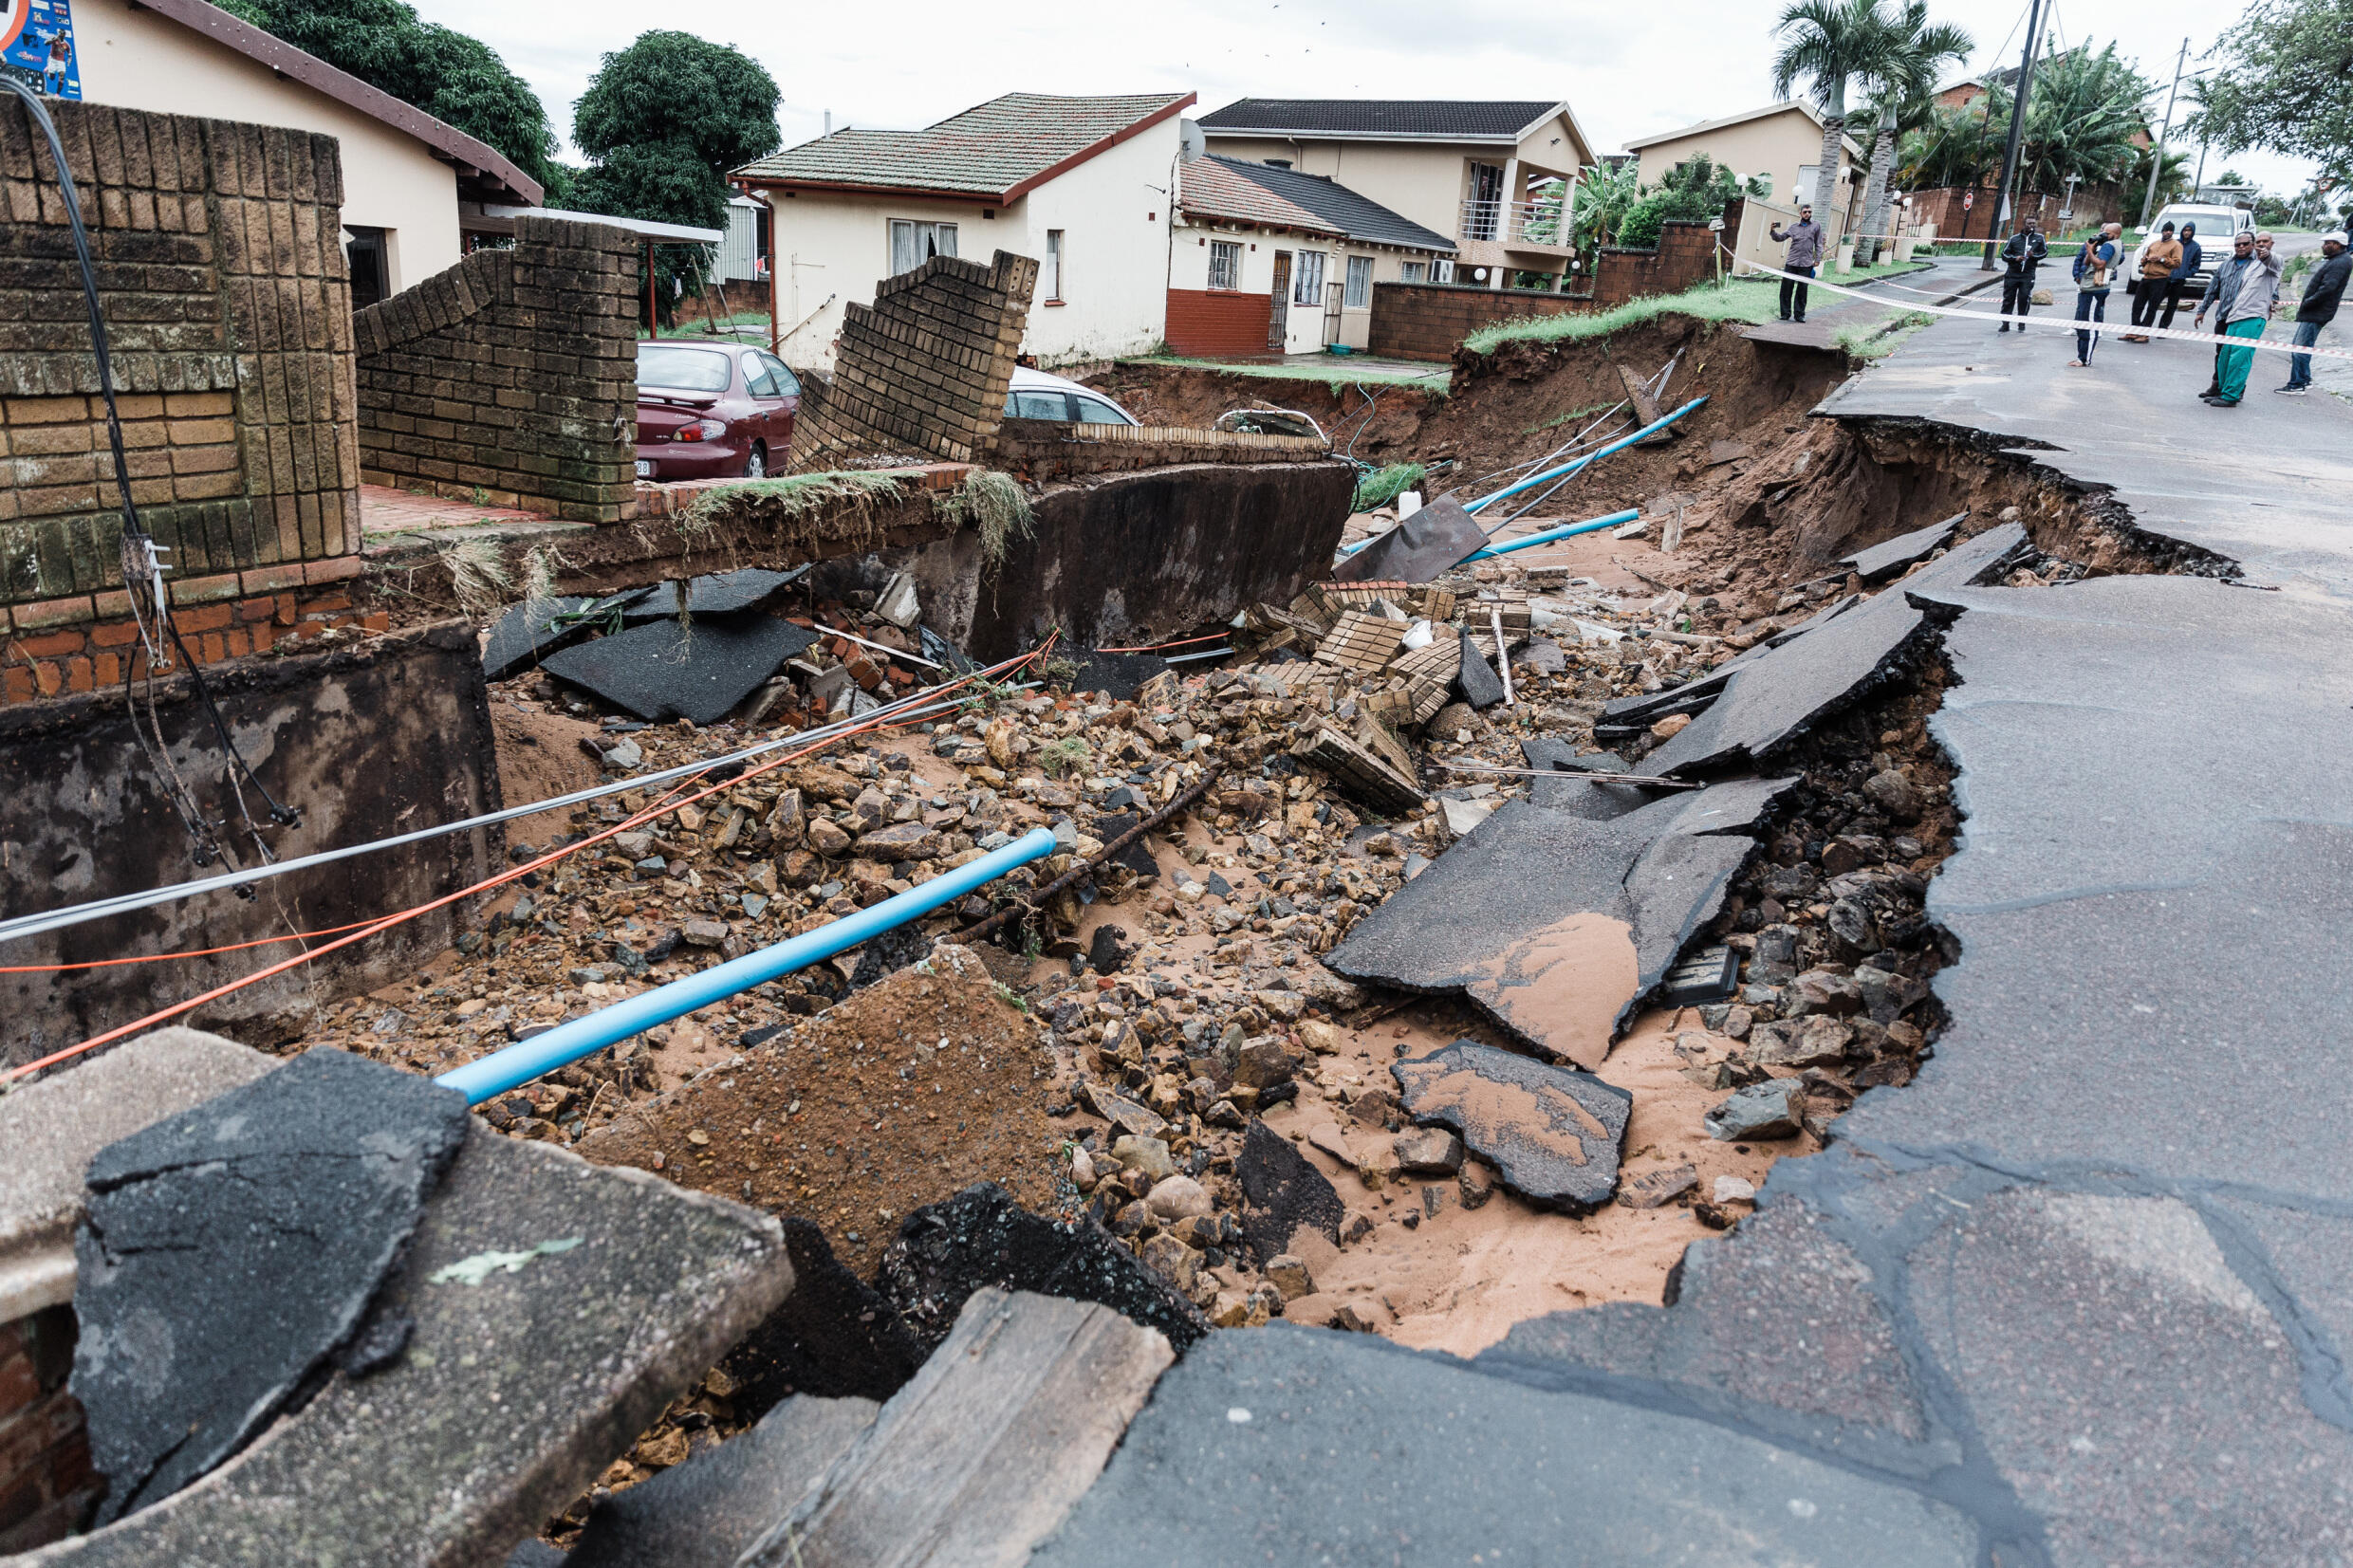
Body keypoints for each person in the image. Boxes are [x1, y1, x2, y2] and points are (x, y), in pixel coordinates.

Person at [2196, 231, 2282, 408]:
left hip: (2252, 317)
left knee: (2239, 358)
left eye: (2265, 241)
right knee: (2225, 356)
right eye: (2259, 241)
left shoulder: (2273, 262)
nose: (2261, 245)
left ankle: (2231, 395)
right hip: (2233, 317)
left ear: (2272, 244)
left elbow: (2274, 262)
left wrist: (2268, 255)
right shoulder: (2250, 266)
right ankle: (2223, 390)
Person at [2278, 231, 2349, 396]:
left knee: (2300, 348)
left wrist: (2309, 302)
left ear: (2338, 245)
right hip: (2316, 311)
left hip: (2317, 311)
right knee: (2302, 346)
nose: (2323, 246)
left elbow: (2328, 288)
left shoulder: (2339, 263)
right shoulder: (2337, 260)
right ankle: (2305, 378)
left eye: (2328, 243)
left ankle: (2297, 384)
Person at [2067, 223, 2122, 367]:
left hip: (2094, 289)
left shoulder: (2110, 246)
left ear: (2114, 234)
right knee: (2081, 323)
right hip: (2089, 287)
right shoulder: (2105, 244)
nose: (2102, 234)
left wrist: (2091, 252)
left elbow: (2099, 264)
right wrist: (2090, 249)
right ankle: (2081, 356)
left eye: (2106, 233)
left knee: (2090, 325)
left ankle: (2085, 359)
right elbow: (2087, 261)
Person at [2122, 222, 2181, 341]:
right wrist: (2146, 260)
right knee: (2137, 305)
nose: (2167, 232)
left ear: (2172, 232)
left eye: (2170, 230)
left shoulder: (2176, 245)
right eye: (2166, 230)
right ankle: (2135, 330)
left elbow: (2177, 263)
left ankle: (2145, 333)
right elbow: (2144, 258)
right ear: (2162, 231)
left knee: (2152, 307)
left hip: (2160, 279)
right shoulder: (2154, 244)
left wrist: (2162, 259)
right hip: (2146, 278)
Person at [1769, 204, 1824, 323]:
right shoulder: (1793, 227)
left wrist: (1818, 258)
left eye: (1809, 212)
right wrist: (1773, 231)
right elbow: (1780, 238)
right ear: (1800, 214)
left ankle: (1799, 315)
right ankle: (1785, 313)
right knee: (1786, 289)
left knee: (1802, 290)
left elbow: (1819, 244)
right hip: (1791, 263)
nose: (1807, 214)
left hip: (1806, 264)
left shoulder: (1816, 226)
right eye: (1805, 212)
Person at [1997, 217, 2047, 332]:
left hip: (2028, 274)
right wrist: (2015, 258)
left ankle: (2021, 322)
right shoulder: (2014, 239)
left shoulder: (2040, 238)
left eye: (2034, 223)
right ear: (2024, 224)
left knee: (2024, 298)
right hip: (2012, 273)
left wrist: (2033, 256)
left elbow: (2044, 252)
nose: (2032, 226)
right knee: (2008, 299)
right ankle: (2005, 323)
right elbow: (2004, 254)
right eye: (2029, 223)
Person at [2159, 223, 2202, 330]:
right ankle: (2146, 326)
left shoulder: (2195, 247)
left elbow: (2196, 264)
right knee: (2155, 302)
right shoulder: (2174, 243)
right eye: (2185, 230)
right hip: (2166, 277)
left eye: (2189, 230)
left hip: (2179, 280)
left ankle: (2163, 327)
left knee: (2172, 305)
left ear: (2193, 232)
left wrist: (2188, 273)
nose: (2186, 232)